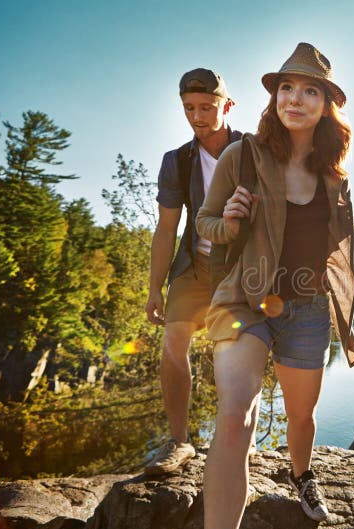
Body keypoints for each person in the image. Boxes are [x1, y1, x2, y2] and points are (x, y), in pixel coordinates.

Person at [195, 42, 354, 529]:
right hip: (244, 302)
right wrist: (227, 221)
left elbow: (339, 248)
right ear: (274, 98)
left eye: (310, 90)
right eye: (286, 87)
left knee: (302, 417)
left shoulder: (334, 177)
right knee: (234, 416)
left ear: (326, 105)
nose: (295, 98)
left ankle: (303, 473)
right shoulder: (241, 156)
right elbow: (205, 222)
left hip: (307, 310)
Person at [143, 68, 247, 475]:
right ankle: (179, 442)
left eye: (207, 107)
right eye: (189, 108)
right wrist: (155, 288)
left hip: (241, 268)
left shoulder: (253, 151)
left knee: (237, 354)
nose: (198, 117)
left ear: (227, 106)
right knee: (173, 342)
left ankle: (237, 444)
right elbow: (166, 228)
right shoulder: (177, 162)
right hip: (194, 265)